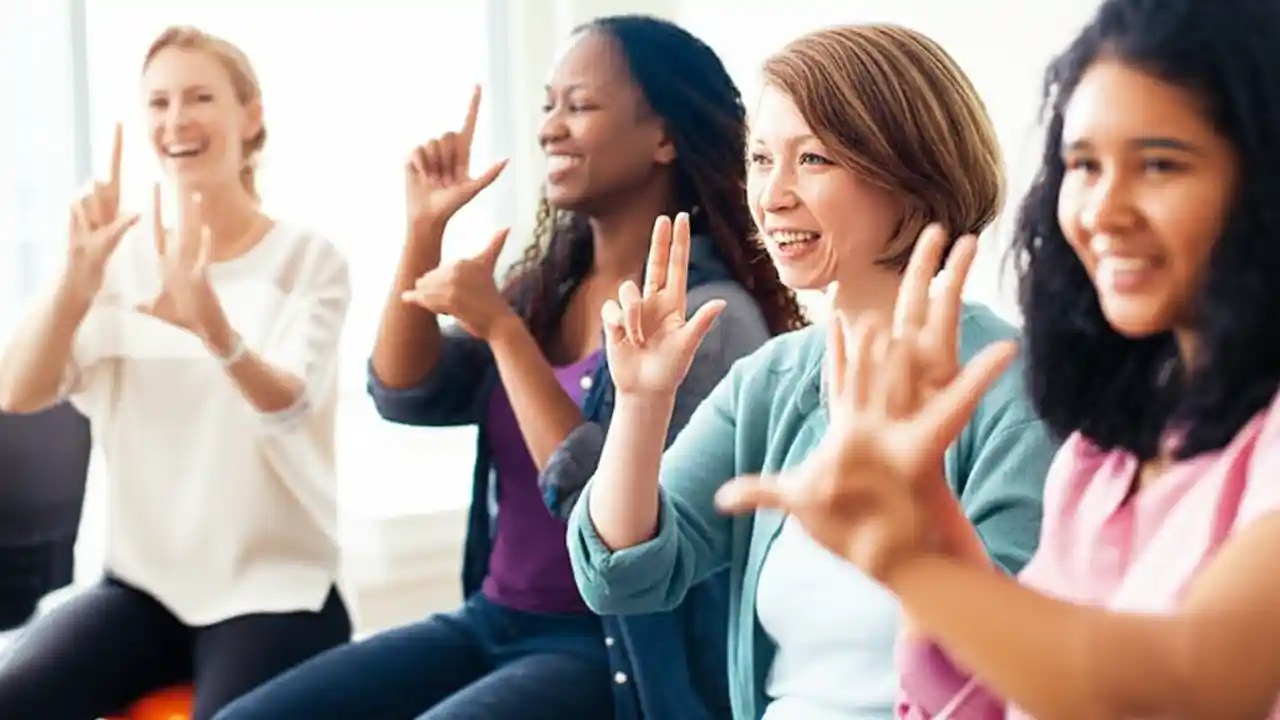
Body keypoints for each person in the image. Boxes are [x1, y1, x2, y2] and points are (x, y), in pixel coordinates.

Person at [214, 14, 803, 720]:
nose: (550, 128)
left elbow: (606, 515)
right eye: (548, 105)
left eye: (579, 105)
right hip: (491, 619)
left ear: (664, 138)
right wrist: (425, 228)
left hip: (605, 651)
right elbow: (405, 391)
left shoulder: (709, 321)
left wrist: (500, 328)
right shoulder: (546, 294)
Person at [714, 0, 1280, 718]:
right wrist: (927, 512)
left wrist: (909, 561)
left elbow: (1194, 687)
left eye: (1159, 165)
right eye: (1084, 164)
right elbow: (1001, 697)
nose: (1102, 210)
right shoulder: (1101, 456)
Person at [567, 24, 1060, 720]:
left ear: (912, 174)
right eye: (761, 158)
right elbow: (621, 578)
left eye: (813, 159)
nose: (772, 196)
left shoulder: (1014, 390)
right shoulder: (772, 380)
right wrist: (643, 404)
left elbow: (1019, 668)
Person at [0, 25, 351, 720]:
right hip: (142, 588)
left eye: (199, 98)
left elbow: (288, 405)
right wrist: (75, 281)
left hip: (276, 590)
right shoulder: (114, 258)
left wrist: (212, 327)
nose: (176, 120)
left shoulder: (308, 260)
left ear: (250, 116)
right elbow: (19, 391)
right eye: (158, 103)